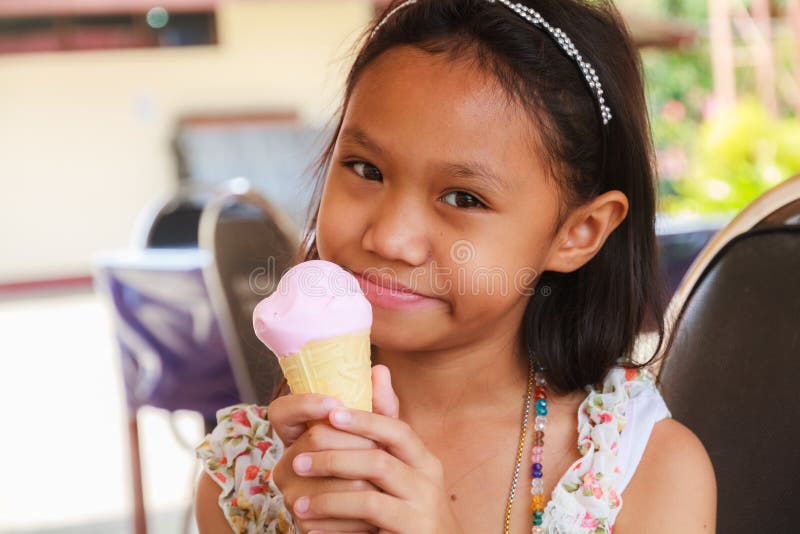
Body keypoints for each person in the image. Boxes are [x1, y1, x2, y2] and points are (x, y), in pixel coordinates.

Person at [194, 0, 717, 532]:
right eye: (365, 168)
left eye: (464, 198)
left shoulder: (642, 470)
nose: (391, 238)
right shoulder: (244, 480)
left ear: (578, 233)